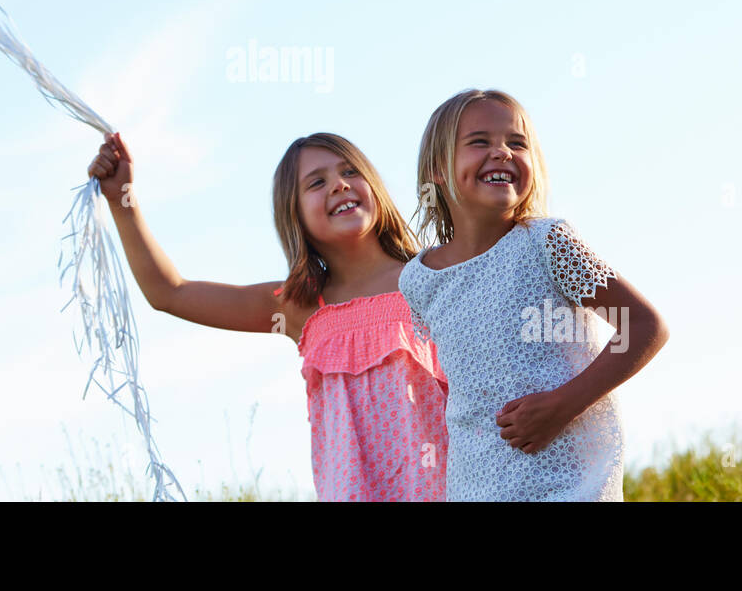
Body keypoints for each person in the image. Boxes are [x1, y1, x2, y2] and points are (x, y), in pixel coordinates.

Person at [88, 130, 447, 500]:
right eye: (317, 182)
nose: (339, 185)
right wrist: (121, 200)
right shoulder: (299, 305)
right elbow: (169, 292)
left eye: (350, 172)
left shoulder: (435, 274)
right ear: (295, 214)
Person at [398, 89, 668, 500]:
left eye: (517, 143)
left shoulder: (548, 243)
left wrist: (563, 404)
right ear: (438, 168)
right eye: (480, 142)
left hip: (568, 484)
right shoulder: (419, 280)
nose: (503, 152)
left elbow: (644, 325)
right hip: (476, 487)